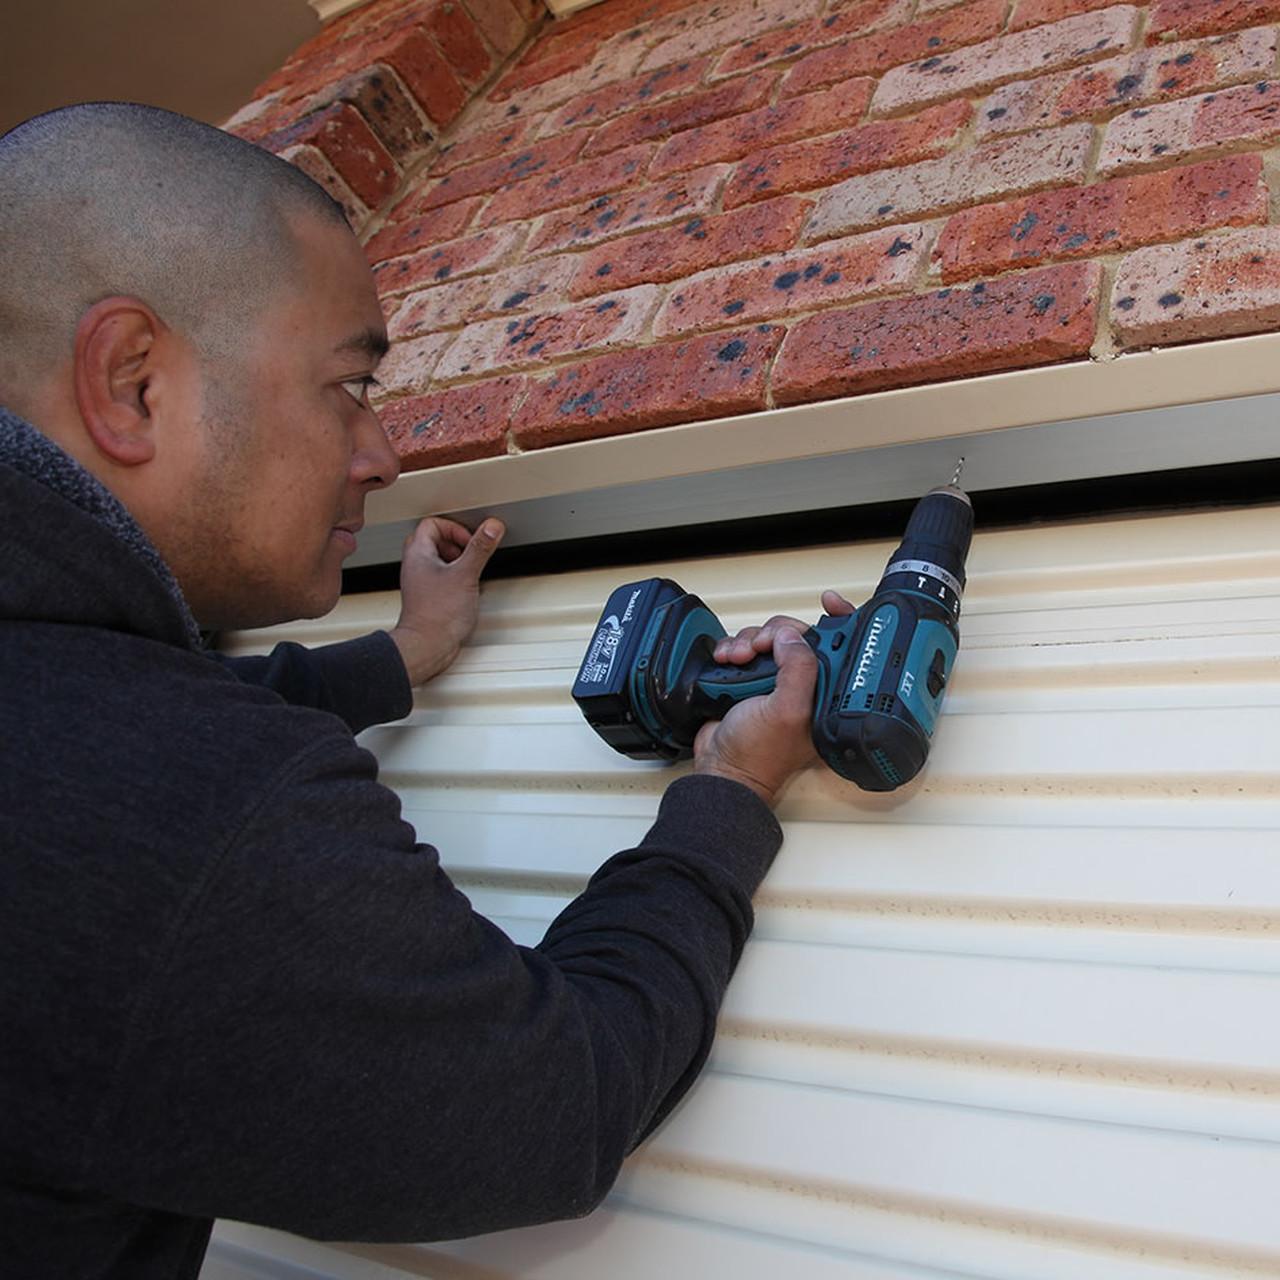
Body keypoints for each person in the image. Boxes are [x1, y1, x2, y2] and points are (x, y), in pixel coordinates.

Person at [0, 102, 841, 1279]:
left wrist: (399, 655)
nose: (382, 453)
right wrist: (727, 793)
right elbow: (556, 1100)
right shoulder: (188, 811)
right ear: (133, 380)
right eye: (348, 383)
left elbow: (126, 713)